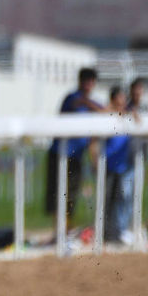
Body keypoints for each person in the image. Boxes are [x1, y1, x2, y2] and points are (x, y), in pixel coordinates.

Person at [45, 67, 105, 226]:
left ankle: (66, 228)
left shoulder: (92, 105)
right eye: (86, 81)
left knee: (71, 194)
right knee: (58, 193)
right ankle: (59, 230)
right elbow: (78, 104)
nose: (88, 84)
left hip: (76, 155)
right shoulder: (72, 99)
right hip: (60, 154)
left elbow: (96, 127)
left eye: (91, 81)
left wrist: (94, 159)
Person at [102, 86, 135, 246]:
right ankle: (107, 232)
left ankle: (118, 231)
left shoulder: (129, 114)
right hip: (109, 164)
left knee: (122, 199)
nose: (122, 102)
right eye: (119, 99)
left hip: (123, 165)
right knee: (108, 199)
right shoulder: (108, 114)